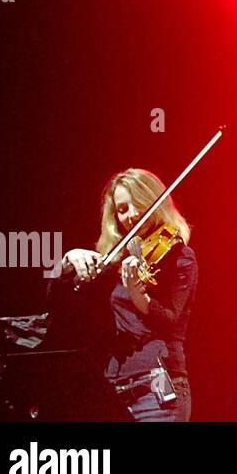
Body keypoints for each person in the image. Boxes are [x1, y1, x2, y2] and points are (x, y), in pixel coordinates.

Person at [52, 168, 198, 421]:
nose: (131, 215)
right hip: (113, 386)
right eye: (122, 209)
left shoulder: (179, 257)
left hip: (158, 385)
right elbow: (56, 303)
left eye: (138, 204)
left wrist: (137, 293)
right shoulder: (113, 263)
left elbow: (169, 321)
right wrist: (66, 263)